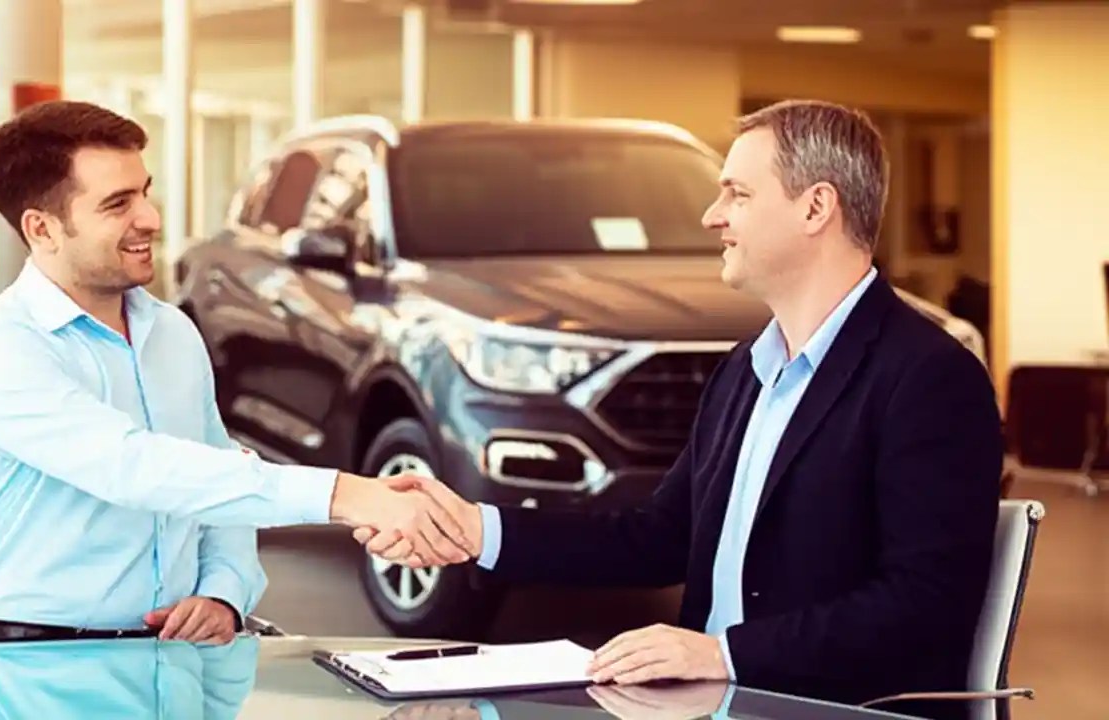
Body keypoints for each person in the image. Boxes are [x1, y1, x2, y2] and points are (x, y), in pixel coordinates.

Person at [355, 100, 1003, 720]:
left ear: (816, 208)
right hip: (707, 705)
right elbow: (657, 538)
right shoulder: (746, 369)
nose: (713, 216)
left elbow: (925, 606)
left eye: (738, 194)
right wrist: (476, 530)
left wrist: (723, 655)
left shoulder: (929, 377)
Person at [0, 100, 471, 646]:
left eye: (144, 192)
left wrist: (224, 593)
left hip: (172, 654)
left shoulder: (172, 332)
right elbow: (136, 468)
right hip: (38, 659)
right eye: (118, 204)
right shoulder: (3, 351)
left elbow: (221, 474)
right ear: (43, 229)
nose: (150, 219)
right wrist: (346, 495)